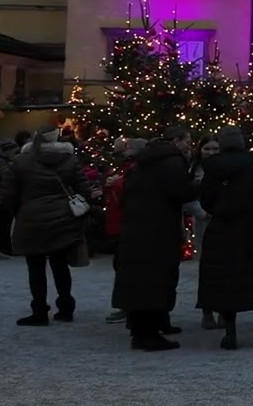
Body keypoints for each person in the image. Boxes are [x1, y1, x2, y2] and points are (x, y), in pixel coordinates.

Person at [111, 127, 197, 351]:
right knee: (155, 281)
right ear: (176, 141)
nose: (189, 146)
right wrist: (201, 185)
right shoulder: (172, 163)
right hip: (158, 230)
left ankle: (140, 332)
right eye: (187, 141)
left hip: (135, 229)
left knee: (139, 281)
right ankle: (150, 334)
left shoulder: (143, 163)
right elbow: (181, 193)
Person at [196, 127, 253, 350]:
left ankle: (230, 333)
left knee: (227, 283)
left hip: (223, 231)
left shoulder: (213, 169)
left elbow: (205, 200)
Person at [0, 126, 89, 325]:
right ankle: (66, 308)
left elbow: (8, 194)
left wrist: (19, 211)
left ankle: (39, 311)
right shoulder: (69, 160)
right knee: (60, 265)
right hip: (62, 218)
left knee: (36, 267)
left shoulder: (20, 161)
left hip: (30, 218)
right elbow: (84, 188)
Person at [103, 138, 146, 325]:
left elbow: (130, 190)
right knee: (121, 265)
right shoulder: (126, 167)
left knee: (125, 267)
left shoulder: (135, 169)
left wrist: (116, 183)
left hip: (124, 222)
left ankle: (128, 307)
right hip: (118, 221)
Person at [188, 134, 221, 330]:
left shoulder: (227, 169)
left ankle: (225, 310)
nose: (211, 153)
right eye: (207, 148)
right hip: (203, 223)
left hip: (224, 221)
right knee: (206, 268)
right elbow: (186, 197)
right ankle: (207, 311)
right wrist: (200, 212)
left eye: (215, 149)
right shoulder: (193, 170)